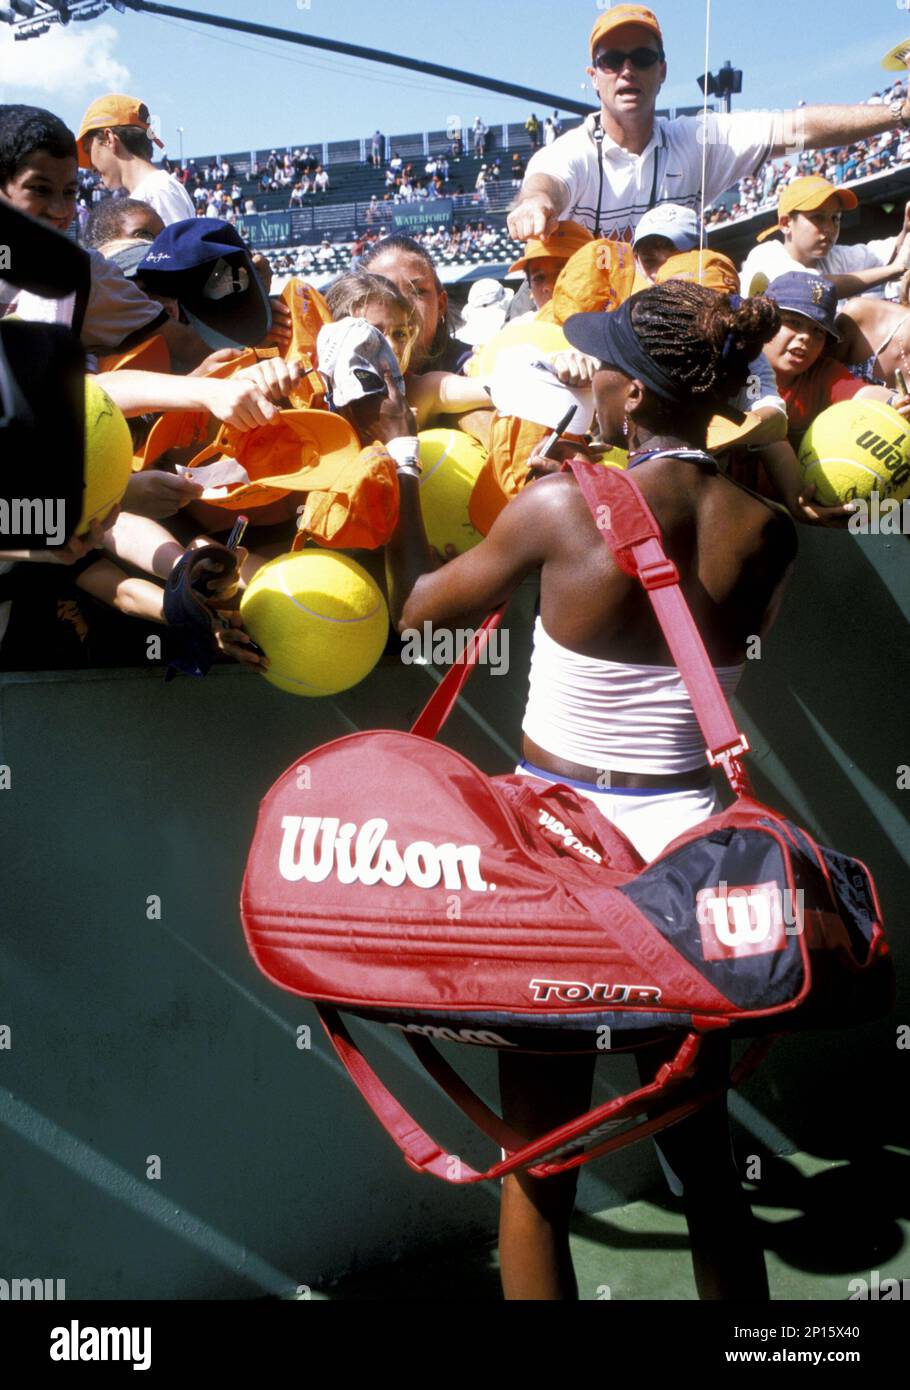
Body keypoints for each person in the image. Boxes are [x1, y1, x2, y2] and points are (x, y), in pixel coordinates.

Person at [381, 279, 796, 1300]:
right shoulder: (769, 524)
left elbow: (415, 611)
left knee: (541, 1165)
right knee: (705, 1162)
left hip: (563, 866)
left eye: (605, 360)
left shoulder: (564, 505)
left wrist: (394, 456)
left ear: (635, 392)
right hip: (690, 864)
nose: (592, 374)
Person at [508, 4, 910, 244]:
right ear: (594, 76)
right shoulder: (572, 150)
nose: (627, 70)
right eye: (611, 60)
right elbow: (547, 182)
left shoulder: (697, 139)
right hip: (577, 323)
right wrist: (536, 203)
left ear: (662, 71)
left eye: (642, 58)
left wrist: (899, 114)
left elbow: (796, 128)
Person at [761, 271, 910, 451]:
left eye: (818, 331)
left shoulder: (821, 373)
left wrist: (895, 402)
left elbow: (861, 392)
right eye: (794, 322)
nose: (806, 337)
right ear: (765, 319)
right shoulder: (736, 361)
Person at [739, 176, 910, 299]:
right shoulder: (765, 255)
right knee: (859, 311)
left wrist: (906, 231)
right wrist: (893, 270)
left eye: (835, 218)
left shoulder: (834, 256)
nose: (830, 228)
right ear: (785, 223)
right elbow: (815, 288)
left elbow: (888, 251)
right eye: (817, 217)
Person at [76, 95, 196, 226]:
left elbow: (178, 245)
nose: (90, 167)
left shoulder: (157, 191)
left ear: (109, 139)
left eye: (88, 150)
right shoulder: (153, 190)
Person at [507, 218, 594, 312]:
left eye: (563, 274)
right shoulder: (521, 325)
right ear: (531, 291)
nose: (549, 285)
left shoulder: (611, 322)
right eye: (539, 278)